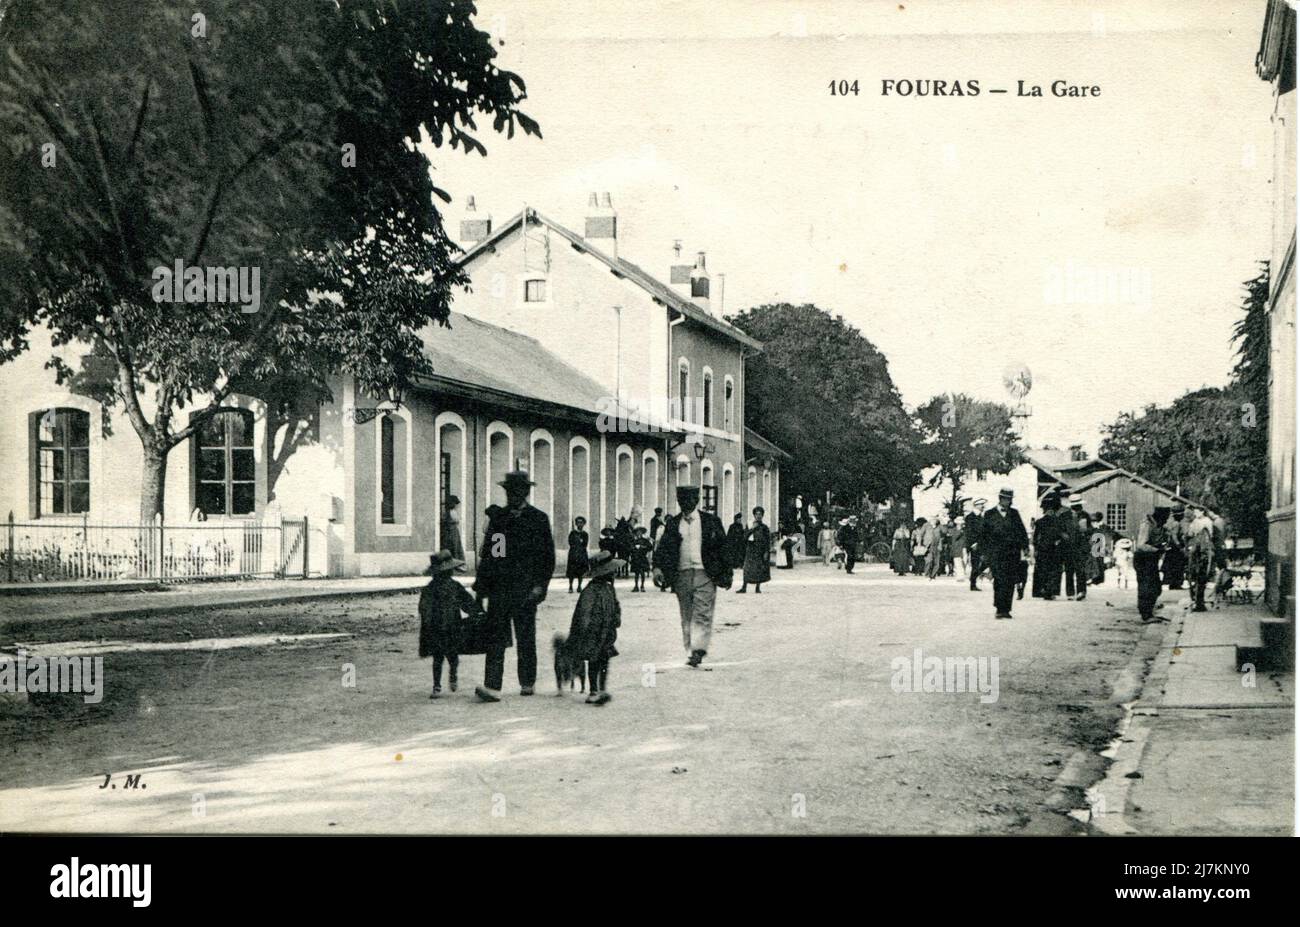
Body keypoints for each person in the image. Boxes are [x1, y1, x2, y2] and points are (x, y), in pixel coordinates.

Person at [472, 471, 556, 702]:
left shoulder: (538, 519)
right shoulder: (500, 520)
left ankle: (527, 682)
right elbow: (492, 555)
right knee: (495, 637)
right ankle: (492, 686)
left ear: (526, 492)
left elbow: (546, 557)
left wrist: (541, 586)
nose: (512, 495)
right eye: (509, 491)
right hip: (500, 589)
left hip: (526, 590)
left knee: (526, 637)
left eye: (517, 491)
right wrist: (482, 588)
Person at [652, 484, 732, 668]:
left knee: (702, 613)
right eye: (681, 501)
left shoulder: (711, 521)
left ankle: (698, 650)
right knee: (686, 615)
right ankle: (690, 649)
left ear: (696, 500)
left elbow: (724, 548)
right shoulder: (673, 523)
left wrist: (726, 573)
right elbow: (663, 548)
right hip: (681, 574)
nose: (685, 504)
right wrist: (657, 568)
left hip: (706, 573)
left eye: (689, 500)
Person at [418, 550, 480, 698]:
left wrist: (474, 611)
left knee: (452, 656)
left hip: (452, 627)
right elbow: (424, 607)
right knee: (438, 658)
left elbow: (467, 602)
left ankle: (452, 675)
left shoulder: (455, 587)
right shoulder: (429, 589)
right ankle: (437, 685)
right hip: (437, 628)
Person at [565, 550, 622, 705]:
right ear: (603, 573)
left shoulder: (609, 589)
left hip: (606, 633)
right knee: (594, 661)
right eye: (611, 571)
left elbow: (616, 605)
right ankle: (593, 690)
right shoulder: (590, 591)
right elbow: (584, 613)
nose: (614, 574)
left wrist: (617, 618)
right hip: (593, 633)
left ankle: (602, 688)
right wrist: (582, 632)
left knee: (604, 660)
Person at [982, 487, 1029, 619]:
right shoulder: (989, 514)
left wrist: (1025, 546)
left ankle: (1006, 609)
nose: (1007, 502)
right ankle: (999, 607)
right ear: (1000, 499)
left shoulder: (1014, 514)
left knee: (1010, 581)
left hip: (1012, 553)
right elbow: (984, 535)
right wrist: (984, 552)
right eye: (1005, 499)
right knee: (999, 580)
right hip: (995, 553)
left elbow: (1022, 531)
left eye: (1009, 499)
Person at [1134, 507, 1170, 622]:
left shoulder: (1156, 525)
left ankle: (1148, 612)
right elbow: (1141, 545)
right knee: (1147, 587)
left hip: (1150, 558)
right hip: (1143, 558)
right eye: (1165, 518)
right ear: (1160, 517)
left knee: (1155, 587)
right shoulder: (1147, 525)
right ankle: (1146, 614)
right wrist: (1157, 549)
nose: (1166, 521)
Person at [1184, 506, 1221, 612]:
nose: (1195, 513)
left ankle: (1199, 602)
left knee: (1202, 576)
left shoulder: (1207, 521)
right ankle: (1196, 600)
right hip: (1196, 550)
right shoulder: (1195, 521)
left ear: (1202, 512)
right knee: (1195, 575)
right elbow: (1190, 534)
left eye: (1196, 511)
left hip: (1204, 550)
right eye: (1194, 511)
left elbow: (1208, 535)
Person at [1032, 494, 1064, 600]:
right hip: (1053, 549)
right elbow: (1061, 536)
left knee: (1043, 570)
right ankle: (1049, 591)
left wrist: (1036, 548)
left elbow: (1035, 538)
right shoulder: (1058, 521)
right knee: (1053, 570)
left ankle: (1042, 590)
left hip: (1043, 549)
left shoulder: (1040, 522)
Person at [1063, 495, 1091, 601]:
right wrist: (1063, 535)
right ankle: (1070, 593)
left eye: (1079, 505)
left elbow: (1090, 530)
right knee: (1069, 570)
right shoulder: (1065, 516)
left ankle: (1081, 591)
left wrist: (1085, 531)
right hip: (1068, 546)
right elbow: (1060, 529)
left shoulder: (1085, 516)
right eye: (1076, 506)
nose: (1078, 507)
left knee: (1081, 570)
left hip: (1081, 546)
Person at [738, 506, 773, 592]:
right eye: (757, 514)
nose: (758, 516)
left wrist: (766, 552)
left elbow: (767, 540)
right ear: (754, 515)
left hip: (760, 550)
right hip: (750, 549)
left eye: (760, 514)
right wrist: (752, 529)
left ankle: (757, 588)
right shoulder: (749, 525)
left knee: (758, 569)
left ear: (762, 515)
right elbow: (744, 537)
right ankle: (744, 587)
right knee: (747, 568)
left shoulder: (764, 527)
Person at [1162, 504, 1187, 590]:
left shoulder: (1171, 523)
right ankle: (1176, 583)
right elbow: (1174, 536)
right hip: (1175, 547)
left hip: (1171, 546)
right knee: (1178, 565)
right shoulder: (1177, 524)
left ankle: (1173, 583)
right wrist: (1180, 546)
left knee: (1172, 565)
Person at [966, 499, 987, 590]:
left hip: (982, 544)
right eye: (982, 505)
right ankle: (973, 584)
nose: (983, 506)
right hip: (974, 545)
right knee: (975, 564)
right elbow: (969, 532)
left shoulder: (981, 517)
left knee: (986, 562)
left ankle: (973, 578)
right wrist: (973, 543)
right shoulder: (970, 517)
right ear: (976, 505)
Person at [566, 516, 590, 594]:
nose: (580, 524)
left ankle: (579, 586)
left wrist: (581, 542)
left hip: (581, 554)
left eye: (581, 523)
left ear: (583, 524)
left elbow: (585, 544)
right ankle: (570, 586)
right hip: (573, 554)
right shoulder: (573, 533)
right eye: (578, 522)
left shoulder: (585, 534)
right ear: (576, 524)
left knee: (581, 571)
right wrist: (576, 543)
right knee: (572, 571)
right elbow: (570, 542)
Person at [441, 495, 466, 562]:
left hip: (448, 531)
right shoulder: (452, 512)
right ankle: (456, 561)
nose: (456, 506)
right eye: (456, 504)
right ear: (453, 504)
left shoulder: (446, 512)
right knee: (455, 546)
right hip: (453, 531)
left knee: (451, 546)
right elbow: (457, 520)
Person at [629, 525, 653, 592]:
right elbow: (630, 548)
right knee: (636, 573)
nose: (639, 533)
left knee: (642, 573)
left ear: (642, 532)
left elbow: (650, 547)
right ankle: (636, 586)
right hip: (636, 558)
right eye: (637, 531)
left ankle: (642, 586)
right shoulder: (634, 540)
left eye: (640, 531)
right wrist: (634, 548)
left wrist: (643, 547)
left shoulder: (645, 540)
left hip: (642, 557)